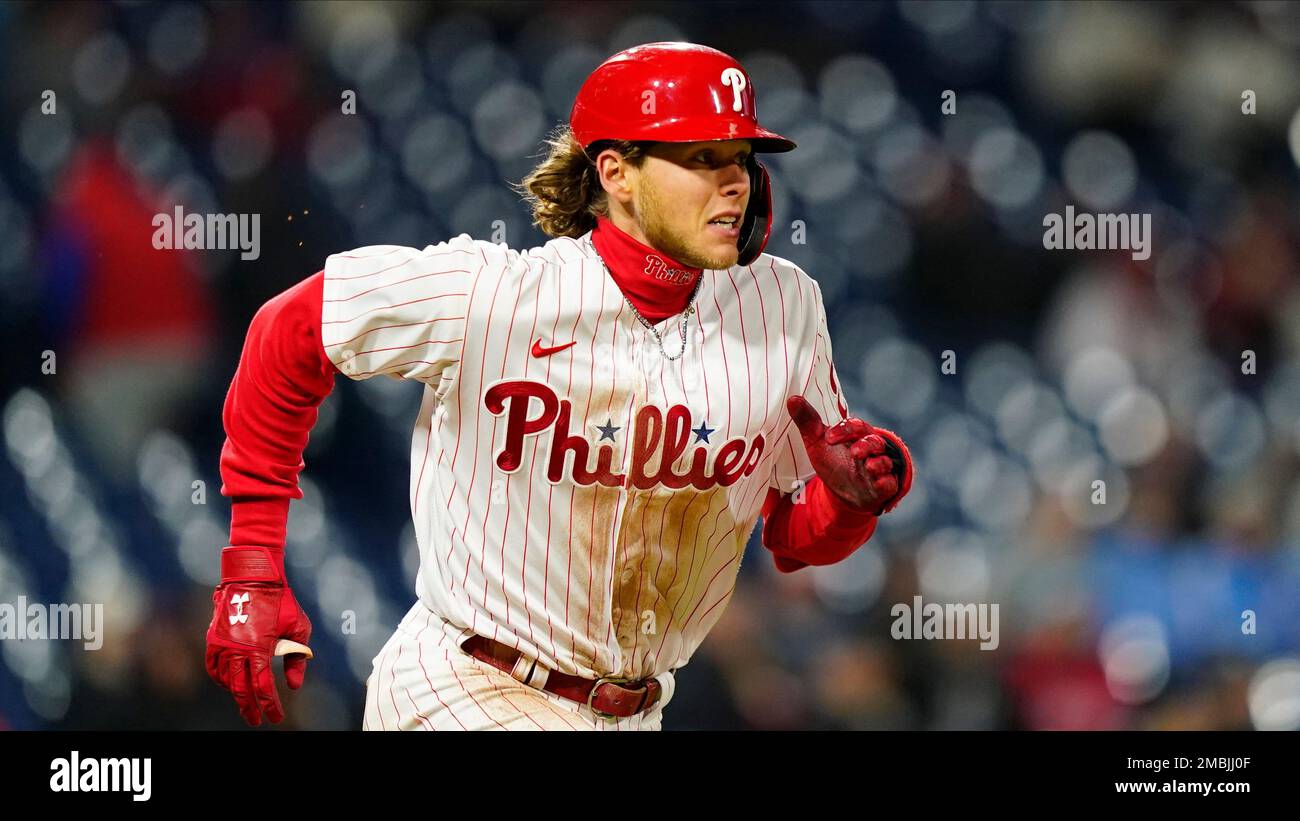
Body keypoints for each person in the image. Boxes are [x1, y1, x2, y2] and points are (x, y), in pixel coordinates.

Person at [205, 41, 913, 731]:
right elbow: (288, 331)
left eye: (740, 157)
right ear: (616, 171)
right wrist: (252, 566)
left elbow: (793, 534)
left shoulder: (783, 305)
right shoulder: (495, 294)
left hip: (638, 708)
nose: (736, 181)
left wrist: (848, 503)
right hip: (467, 684)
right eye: (702, 157)